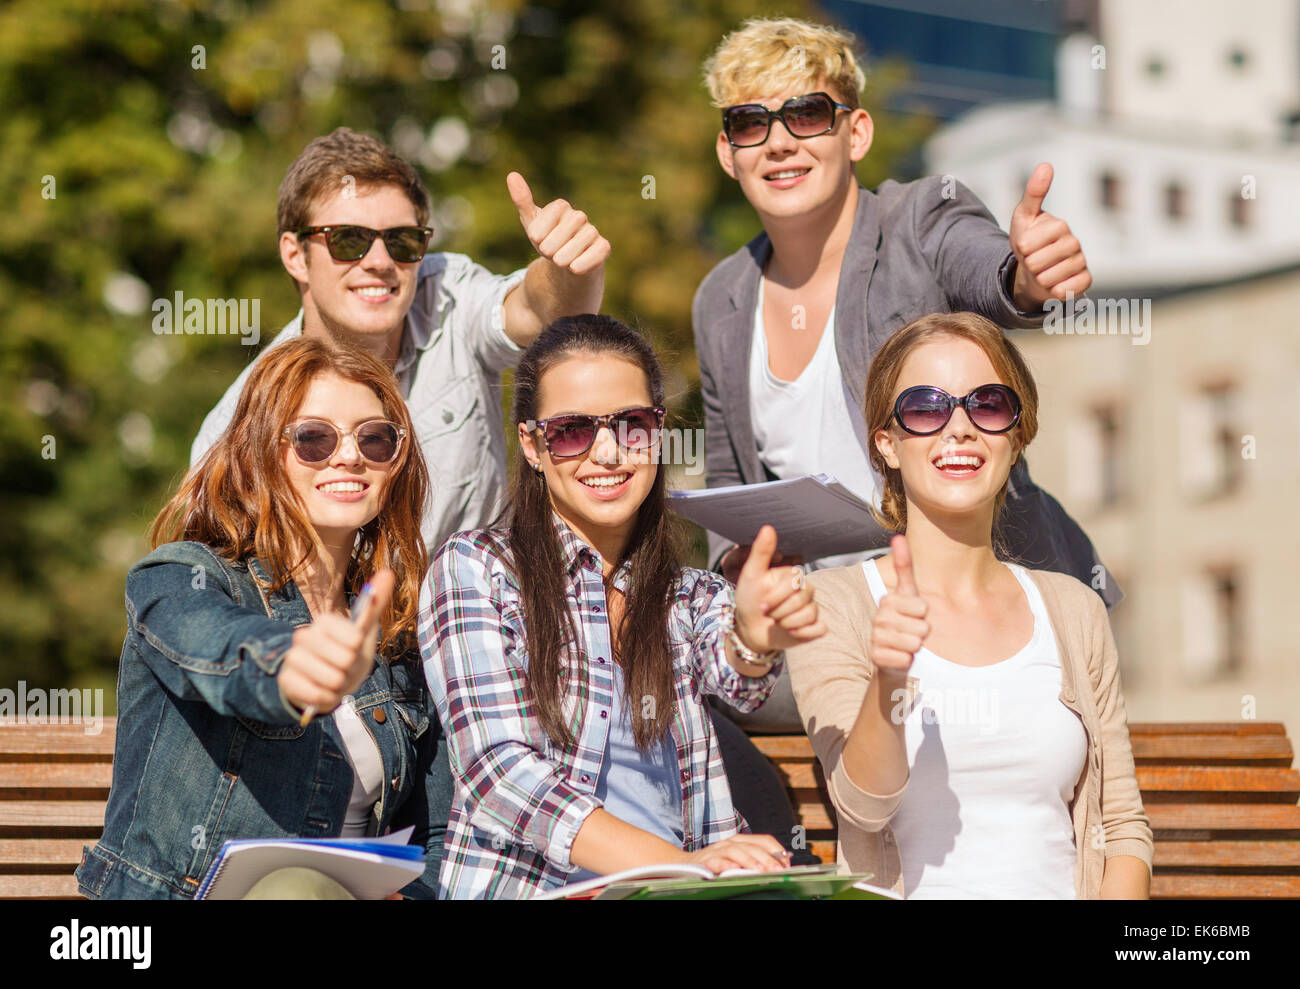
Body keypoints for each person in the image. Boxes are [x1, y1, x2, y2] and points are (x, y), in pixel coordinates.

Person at [694, 16, 1119, 734]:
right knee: (698, 690)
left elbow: (988, 271)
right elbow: (729, 491)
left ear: (854, 133)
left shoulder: (921, 217)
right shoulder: (721, 299)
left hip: (976, 602)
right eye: (749, 123)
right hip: (837, 620)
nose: (779, 141)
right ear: (727, 151)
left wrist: (1026, 279)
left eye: (806, 114)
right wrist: (744, 574)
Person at [419, 315, 824, 899]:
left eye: (632, 425)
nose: (608, 454)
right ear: (533, 445)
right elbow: (499, 774)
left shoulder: (689, 593)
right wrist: (685, 866)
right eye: (572, 430)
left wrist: (754, 640)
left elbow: (739, 679)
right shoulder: (474, 568)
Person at [784, 311, 1152, 899]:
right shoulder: (833, 605)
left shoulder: (1074, 608)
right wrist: (890, 680)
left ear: (1017, 435)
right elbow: (862, 806)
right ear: (888, 444)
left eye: (988, 404)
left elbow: (1123, 828)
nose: (959, 429)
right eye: (926, 408)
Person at [77, 338, 450, 899]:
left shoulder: (397, 636)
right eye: (314, 438)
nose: (349, 456)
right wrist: (294, 665)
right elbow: (222, 650)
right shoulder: (180, 578)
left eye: (374, 438)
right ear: (259, 454)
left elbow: (435, 837)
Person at [192, 126, 611, 552]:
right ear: (295, 256)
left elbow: (537, 309)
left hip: (478, 614)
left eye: (402, 241)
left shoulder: (446, 293)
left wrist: (568, 268)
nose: (379, 262)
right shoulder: (233, 426)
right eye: (348, 240)